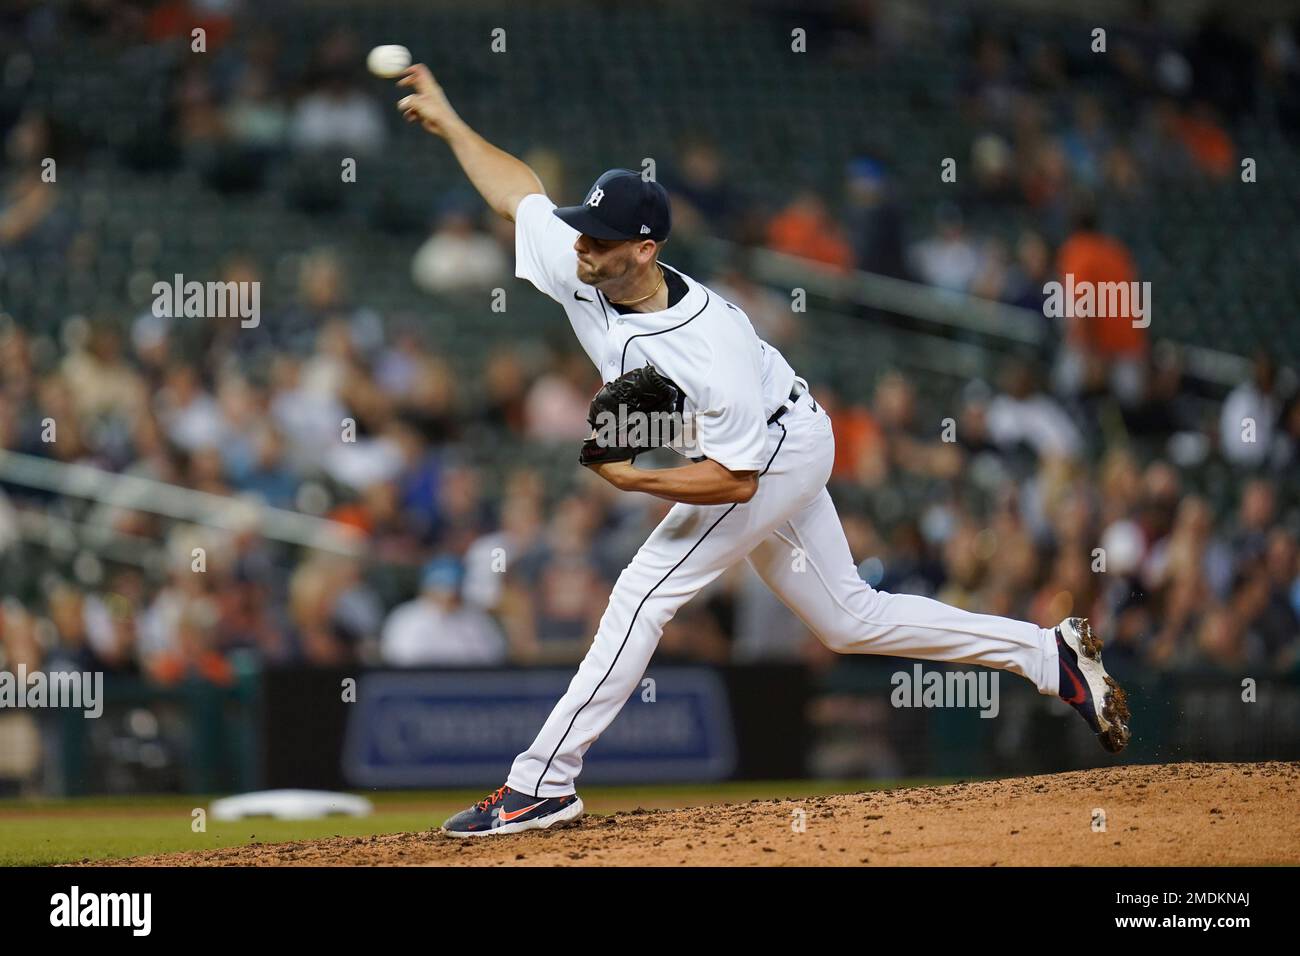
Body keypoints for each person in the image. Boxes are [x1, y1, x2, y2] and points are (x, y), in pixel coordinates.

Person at [392, 63, 1131, 837]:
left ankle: (541, 782)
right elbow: (521, 193)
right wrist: (451, 122)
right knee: (850, 620)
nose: (581, 243)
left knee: (644, 594)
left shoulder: (708, 344)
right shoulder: (582, 262)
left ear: (644, 250)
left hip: (771, 451)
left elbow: (738, 481)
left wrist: (636, 483)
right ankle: (1048, 654)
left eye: (601, 237)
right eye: (583, 228)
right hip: (776, 435)